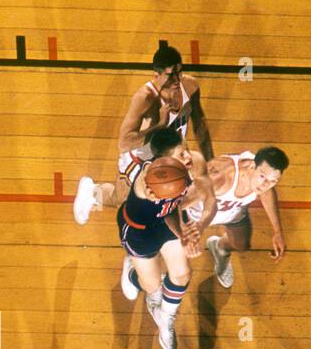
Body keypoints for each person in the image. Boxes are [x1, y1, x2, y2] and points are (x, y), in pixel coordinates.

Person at [73, 39, 214, 224]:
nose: (177, 80)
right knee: (121, 200)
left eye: (179, 72)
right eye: (170, 75)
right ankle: (92, 191)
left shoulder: (190, 86)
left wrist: (210, 160)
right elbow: (124, 143)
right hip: (141, 154)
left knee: (171, 193)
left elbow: (200, 126)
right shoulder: (145, 98)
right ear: (156, 74)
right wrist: (160, 124)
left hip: (170, 152)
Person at [114, 127, 216, 349]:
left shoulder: (194, 162)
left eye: (187, 149)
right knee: (151, 285)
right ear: (163, 161)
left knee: (182, 274)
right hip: (140, 230)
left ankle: (165, 318)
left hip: (166, 218)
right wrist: (182, 232)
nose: (189, 156)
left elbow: (208, 199)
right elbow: (156, 198)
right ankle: (132, 273)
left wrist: (191, 231)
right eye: (181, 154)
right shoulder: (152, 181)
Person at [187, 147, 289, 288]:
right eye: (263, 177)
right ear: (252, 166)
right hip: (195, 218)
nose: (266, 185)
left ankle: (219, 248)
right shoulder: (219, 177)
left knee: (242, 245)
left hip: (232, 213)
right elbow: (178, 205)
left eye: (273, 181)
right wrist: (185, 234)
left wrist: (278, 232)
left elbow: (267, 193)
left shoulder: (263, 177)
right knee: (181, 270)